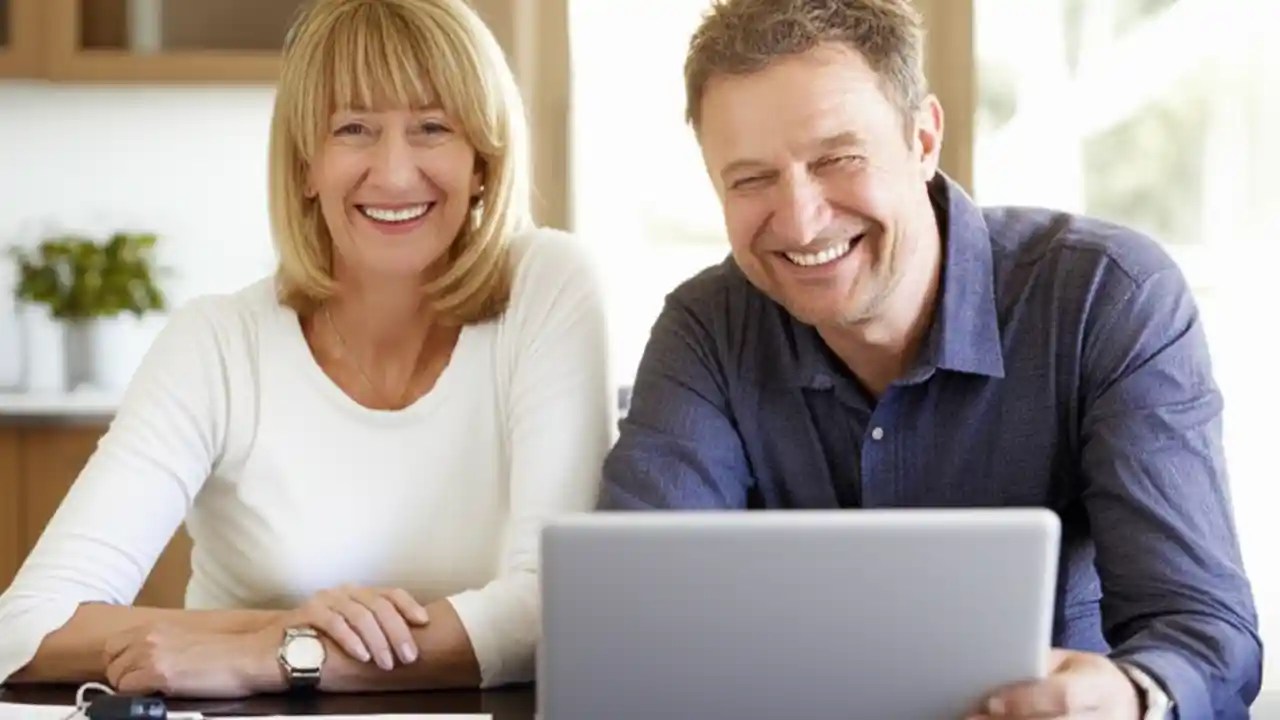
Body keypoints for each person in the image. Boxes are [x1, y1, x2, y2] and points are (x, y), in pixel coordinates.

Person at [599, 0, 1261, 718]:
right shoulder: (706, 328)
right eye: (751, 179)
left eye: (838, 159)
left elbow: (1205, 637)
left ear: (922, 140)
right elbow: (638, 626)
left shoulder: (1106, 295)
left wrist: (1128, 695)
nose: (798, 219)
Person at [0, 0, 612, 698]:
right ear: (304, 166)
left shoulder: (548, 288)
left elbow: (558, 607)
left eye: (432, 127)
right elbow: (24, 628)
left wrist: (280, 659)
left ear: (483, 162)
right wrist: (281, 630)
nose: (393, 172)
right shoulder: (218, 345)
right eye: (354, 128)